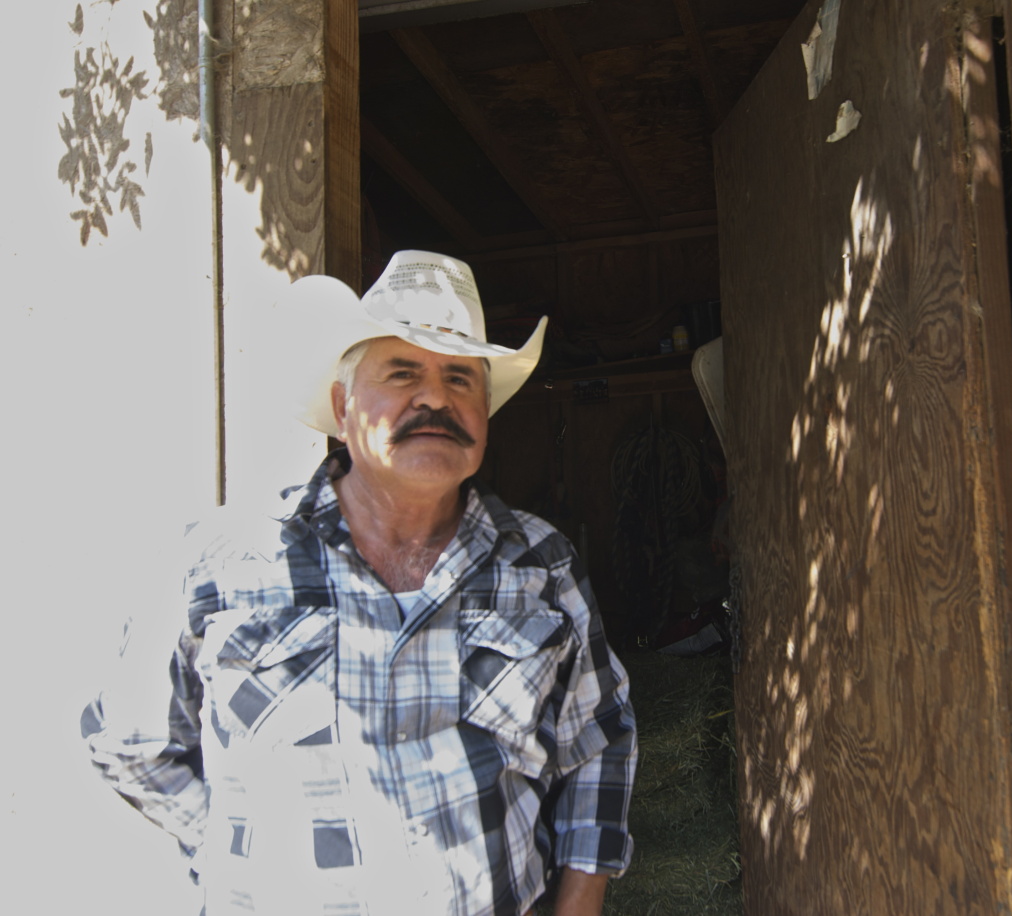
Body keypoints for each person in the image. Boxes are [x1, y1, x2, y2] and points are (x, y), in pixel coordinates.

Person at [82, 250, 637, 916]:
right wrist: (237, 855)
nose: (436, 398)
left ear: (485, 411)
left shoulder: (540, 563)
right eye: (403, 372)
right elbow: (129, 739)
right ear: (344, 407)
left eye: (461, 378)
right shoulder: (224, 561)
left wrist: (578, 906)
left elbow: (599, 738)